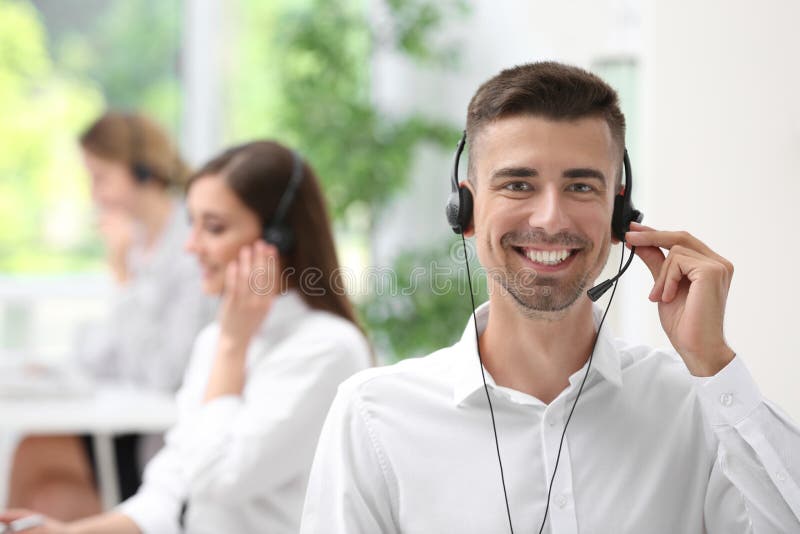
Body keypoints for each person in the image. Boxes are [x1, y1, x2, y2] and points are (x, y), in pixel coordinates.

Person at [299, 62, 800, 533]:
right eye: (519, 184)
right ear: (466, 209)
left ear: (619, 213)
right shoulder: (373, 417)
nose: (551, 219)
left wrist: (712, 362)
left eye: (581, 187)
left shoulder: (698, 407)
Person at [1, 140, 372, 534]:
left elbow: (216, 478)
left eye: (213, 227)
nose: (190, 246)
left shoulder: (327, 349)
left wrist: (233, 348)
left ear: (278, 239)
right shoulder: (216, 339)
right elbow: (172, 487)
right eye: (191, 223)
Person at [8, 111, 215, 518]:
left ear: (142, 171)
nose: (94, 194)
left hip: (160, 435)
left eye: (101, 178)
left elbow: (165, 373)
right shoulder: (138, 241)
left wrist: (123, 279)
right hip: (128, 420)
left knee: (46, 489)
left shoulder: (192, 245)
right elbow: (106, 354)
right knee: (33, 456)